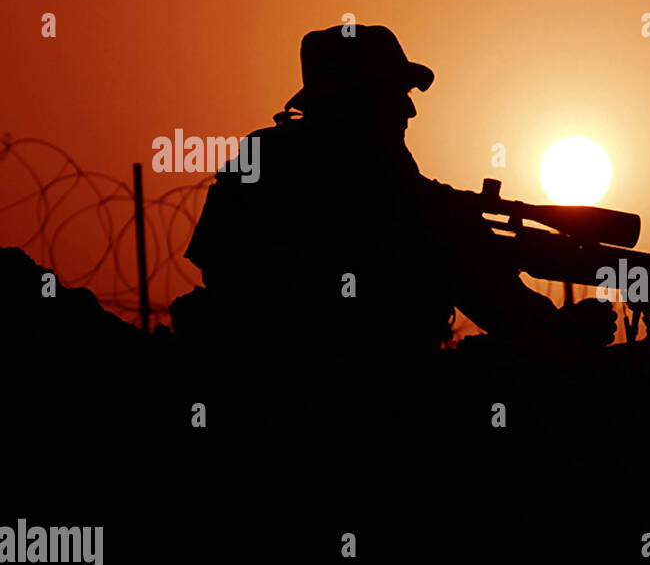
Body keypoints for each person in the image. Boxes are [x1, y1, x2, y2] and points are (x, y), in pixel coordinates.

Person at [175, 24, 615, 360]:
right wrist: (565, 332)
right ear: (357, 102)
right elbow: (499, 306)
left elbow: (216, 267)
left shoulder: (266, 156)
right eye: (396, 94)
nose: (410, 108)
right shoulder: (394, 196)